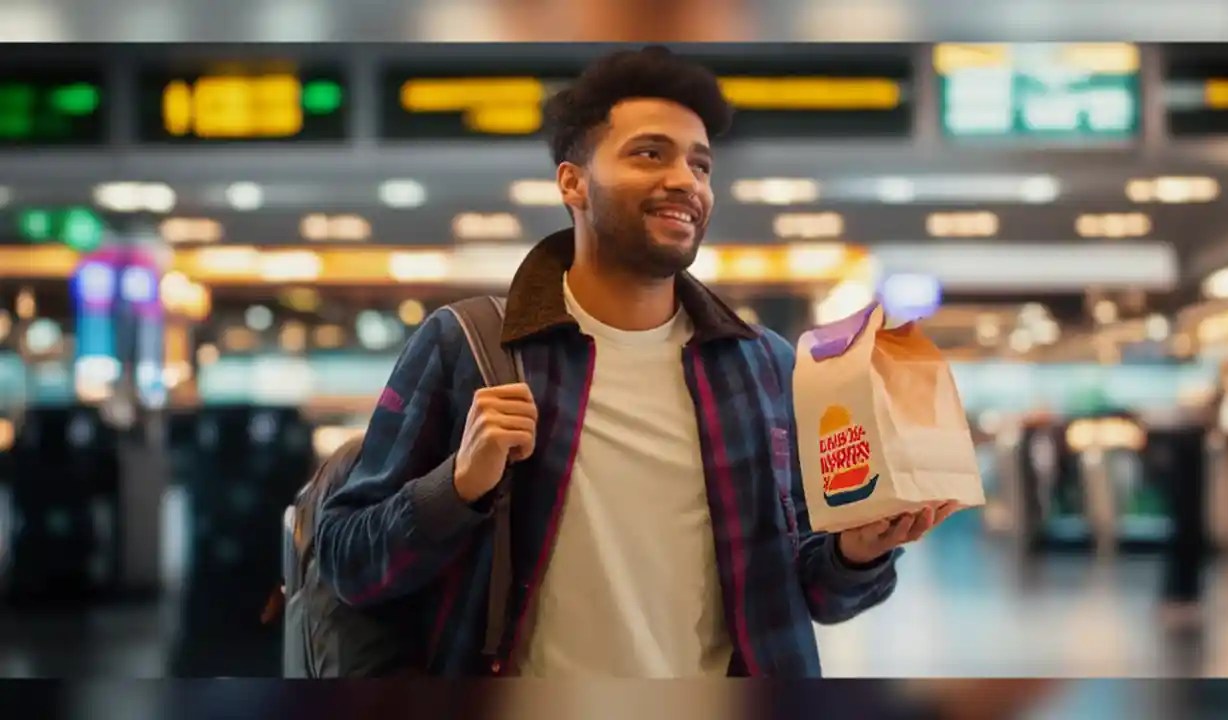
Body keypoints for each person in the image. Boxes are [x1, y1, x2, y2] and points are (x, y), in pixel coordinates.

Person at [313, 45, 956, 678]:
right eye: (650, 153)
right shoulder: (470, 347)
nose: (685, 180)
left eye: (700, 165)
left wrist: (858, 552)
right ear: (573, 182)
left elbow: (809, 592)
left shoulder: (763, 366)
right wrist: (457, 487)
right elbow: (347, 563)